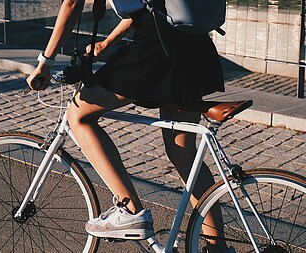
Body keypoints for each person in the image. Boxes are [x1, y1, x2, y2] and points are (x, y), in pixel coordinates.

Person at [27, 0, 236, 252]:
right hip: (193, 43)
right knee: (183, 151)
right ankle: (218, 248)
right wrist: (107, 43)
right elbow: (149, 7)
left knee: (79, 115)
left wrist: (45, 62)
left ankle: (130, 210)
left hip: (156, 47)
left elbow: (72, 3)